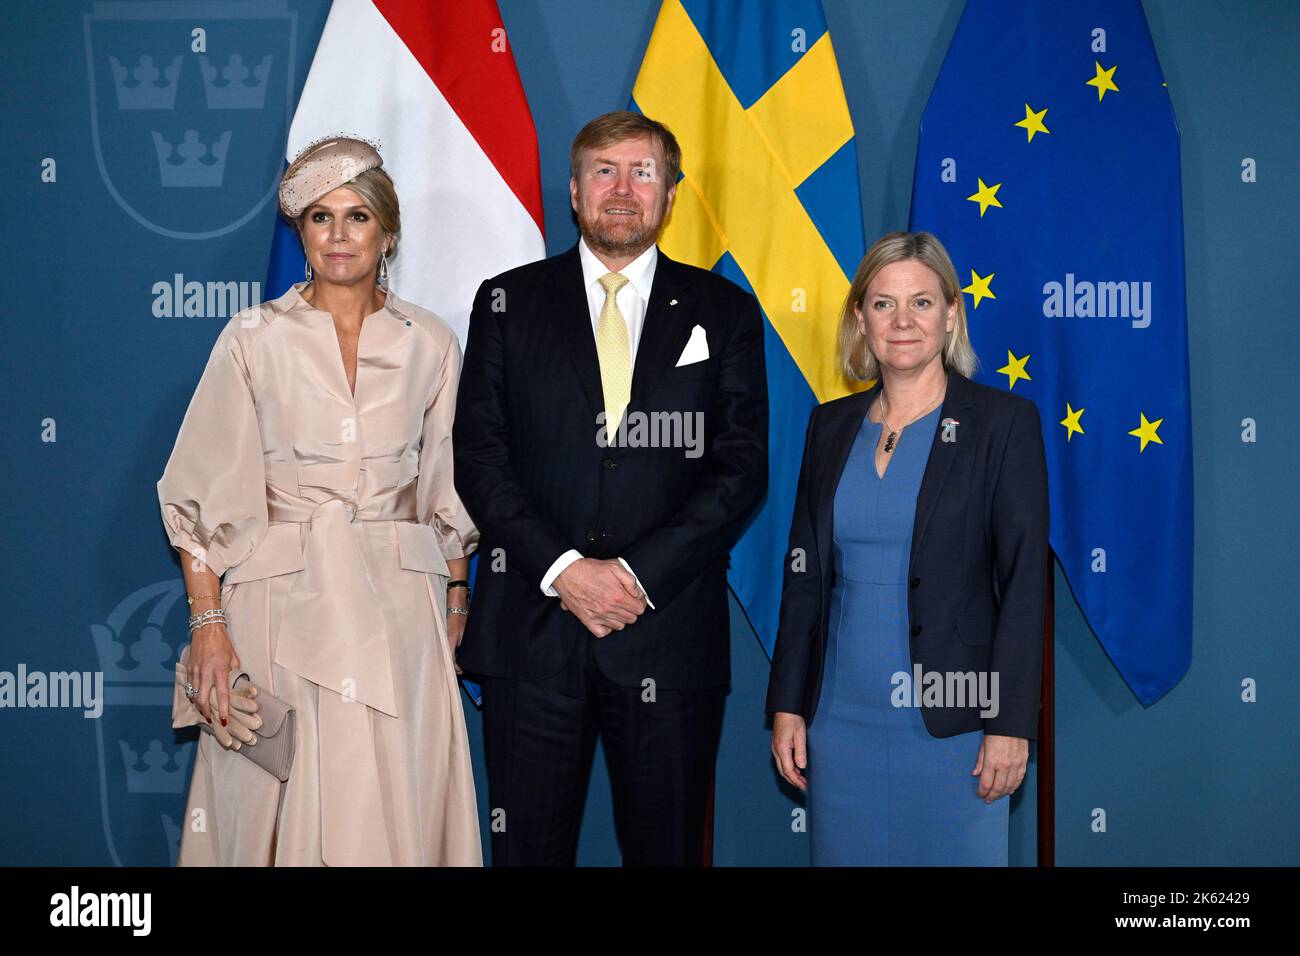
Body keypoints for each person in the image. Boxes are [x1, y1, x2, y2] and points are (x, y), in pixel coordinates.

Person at [453, 111, 768, 866]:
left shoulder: (723, 311)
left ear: (669, 194)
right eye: (604, 171)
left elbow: (740, 467)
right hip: (532, 634)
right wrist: (566, 574)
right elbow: (478, 458)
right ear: (573, 190)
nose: (622, 190)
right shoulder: (506, 302)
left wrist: (632, 577)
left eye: (642, 172)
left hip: (668, 633)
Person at [158, 136, 482, 866]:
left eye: (358, 216)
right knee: (278, 800)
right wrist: (208, 624)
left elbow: (449, 491)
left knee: (392, 799)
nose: (339, 235)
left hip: (400, 605)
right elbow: (202, 496)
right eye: (320, 217)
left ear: (387, 233)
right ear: (300, 233)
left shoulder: (430, 343)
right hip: (278, 602)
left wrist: (457, 603)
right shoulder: (251, 339)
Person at [766, 231, 1049, 866]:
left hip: (957, 721)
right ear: (860, 318)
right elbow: (804, 579)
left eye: (921, 303)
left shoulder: (1003, 424)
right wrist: (788, 703)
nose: (902, 321)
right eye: (883, 303)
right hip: (839, 719)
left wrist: (1010, 724)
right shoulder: (829, 425)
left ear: (951, 313)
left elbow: (1026, 584)